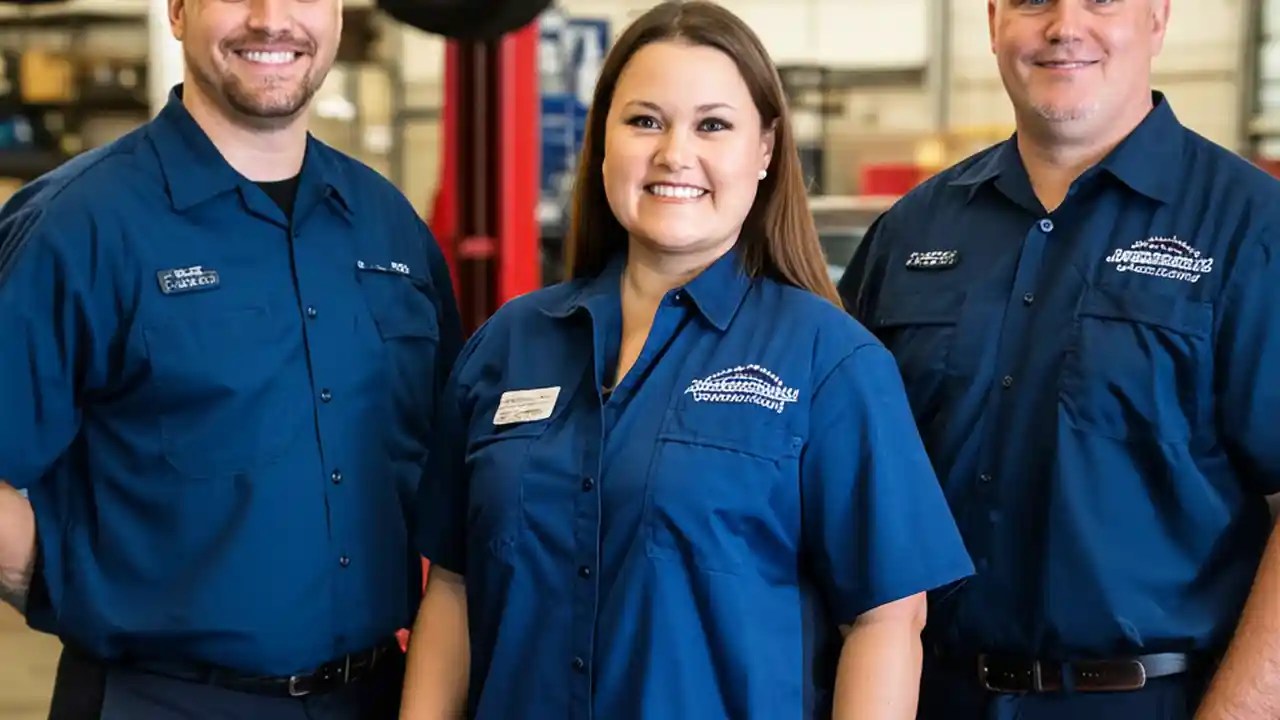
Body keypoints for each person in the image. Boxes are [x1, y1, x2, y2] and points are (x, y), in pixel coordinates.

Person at [398, 2, 974, 718]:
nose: (674, 153)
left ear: (765, 150)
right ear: (602, 141)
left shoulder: (830, 364)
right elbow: (453, 588)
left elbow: (886, 620)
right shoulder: (508, 346)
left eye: (712, 125)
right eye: (645, 121)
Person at [0, 0, 462, 717]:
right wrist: (67, 583)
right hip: (159, 700)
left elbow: (453, 468)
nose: (272, 18)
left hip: (373, 695)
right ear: (178, 10)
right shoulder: (77, 225)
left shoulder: (388, 225)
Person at [839, 1, 1280, 719]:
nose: (1065, 25)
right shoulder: (910, 232)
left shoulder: (1254, 232)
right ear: (993, 21)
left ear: (1157, 18)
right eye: (1033, 0)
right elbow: (838, 483)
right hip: (927, 694)